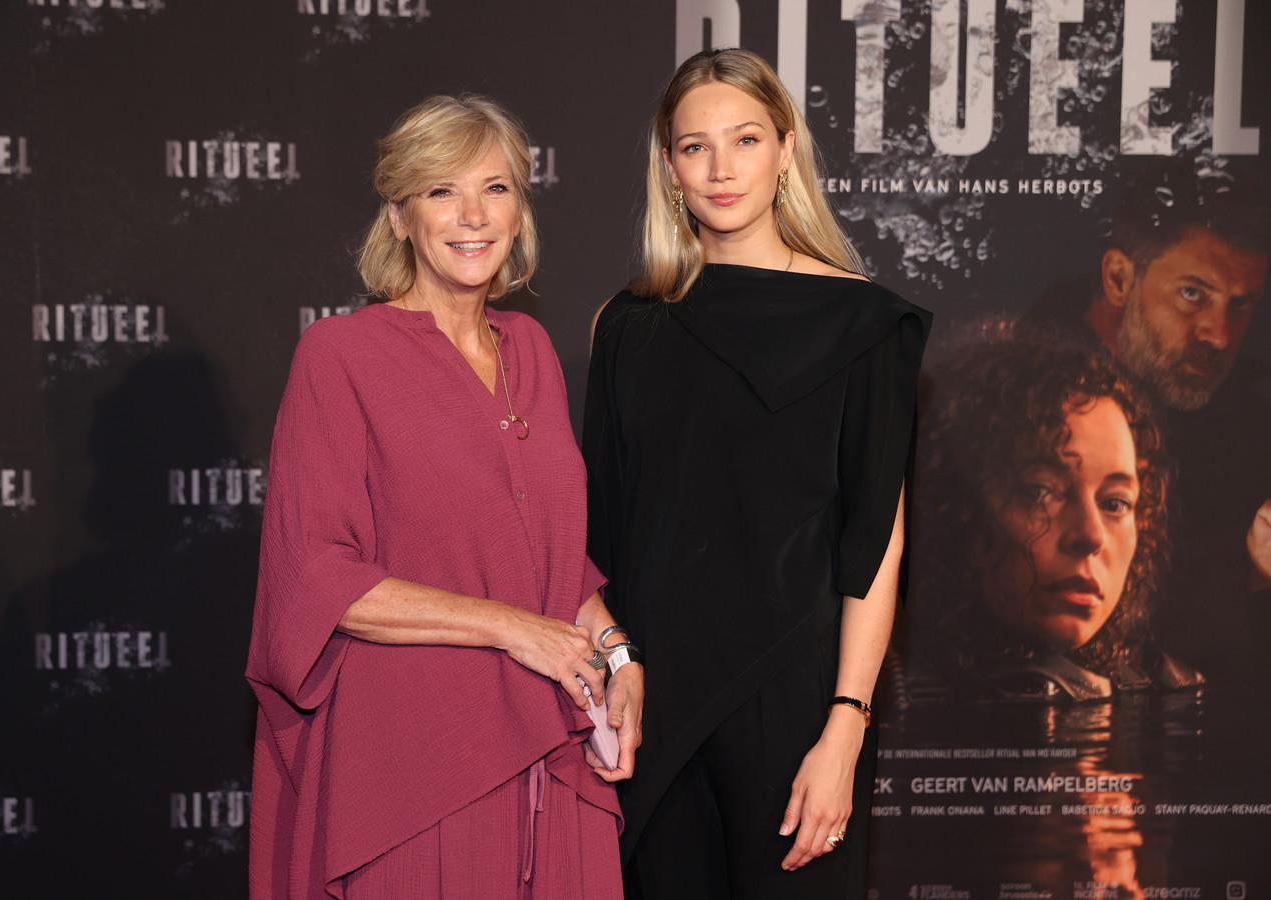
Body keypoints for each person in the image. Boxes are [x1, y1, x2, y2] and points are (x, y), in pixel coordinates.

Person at [246, 95, 642, 900]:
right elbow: (314, 574)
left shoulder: (531, 349)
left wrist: (619, 655)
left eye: (495, 189)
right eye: (440, 191)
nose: (472, 215)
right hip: (415, 764)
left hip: (552, 750)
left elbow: (548, 551)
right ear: (398, 215)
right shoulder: (339, 355)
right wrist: (512, 630)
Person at [583, 48, 930, 900]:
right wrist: (616, 667)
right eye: (694, 146)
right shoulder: (625, 327)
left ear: (785, 149)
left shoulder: (864, 323)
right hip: (651, 706)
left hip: (796, 700)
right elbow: (597, 537)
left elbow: (875, 550)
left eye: (743, 139)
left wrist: (844, 729)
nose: (721, 167)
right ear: (669, 167)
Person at [1022, 159, 1271, 682]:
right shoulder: (1018, 398)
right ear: (1119, 278)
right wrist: (1245, 566)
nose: (1220, 334)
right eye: (1192, 294)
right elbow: (1052, 604)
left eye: (1242, 304)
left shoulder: (1245, 405)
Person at [905, 325, 1202, 701]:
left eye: (1115, 503)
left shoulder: (1158, 683)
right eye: (1041, 493)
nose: (1091, 536)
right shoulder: (899, 699)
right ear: (959, 507)